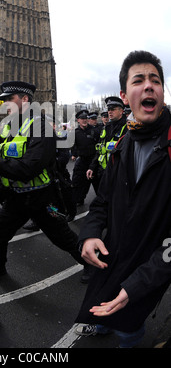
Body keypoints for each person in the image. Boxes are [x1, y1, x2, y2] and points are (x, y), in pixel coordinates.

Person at [75, 50, 171, 348]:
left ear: (162, 91)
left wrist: (138, 284)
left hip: (155, 265)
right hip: (117, 257)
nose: (148, 85)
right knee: (105, 309)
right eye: (138, 80)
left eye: (155, 80)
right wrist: (89, 235)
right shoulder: (121, 144)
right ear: (125, 94)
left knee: (129, 329)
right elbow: (102, 202)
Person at [0, 81, 85, 280]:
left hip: (41, 197)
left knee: (63, 238)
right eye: (3, 99)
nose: (5, 103)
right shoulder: (9, 127)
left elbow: (27, 168)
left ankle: (93, 265)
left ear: (25, 99)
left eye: (9, 99)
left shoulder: (41, 127)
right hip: (17, 198)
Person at [86, 96, 127, 191]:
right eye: (109, 109)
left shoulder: (127, 128)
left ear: (121, 111)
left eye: (113, 109)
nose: (110, 112)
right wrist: (92, 167)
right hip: (104, 173)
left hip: (119, 175)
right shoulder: (106, 128)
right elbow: (100, 150)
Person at [70, 110, 99, 206]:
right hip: (82, 161)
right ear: (78, 120)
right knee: (78, 182)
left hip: (94, 161)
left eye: (86, 118)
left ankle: (102, 201)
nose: (84, 120)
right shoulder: (75, 133)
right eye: (82, 119)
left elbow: (99, 146)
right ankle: (79, 199)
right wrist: (74, 154)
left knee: (98, 183)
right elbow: (73, 145)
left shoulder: (94, 131)